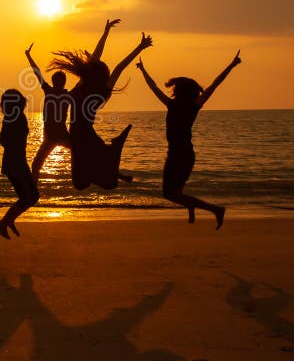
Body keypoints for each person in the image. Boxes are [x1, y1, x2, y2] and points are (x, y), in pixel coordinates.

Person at [136, 51, 241, 229]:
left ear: (178, 91)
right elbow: (215, 84)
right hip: (183, 154)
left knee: (170, 194)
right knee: (174, 192)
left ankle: (214, 209)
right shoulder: (193, 105)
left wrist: (143, 70)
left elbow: (153, 86)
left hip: (179, 154)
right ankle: (192, 207)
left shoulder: (174, 104)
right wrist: (231, 65)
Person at [50, 20, 151, 190]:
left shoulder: (83, 86)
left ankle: (114, 153)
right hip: (83, 135)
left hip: (79, 135)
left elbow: (112, 63)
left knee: (84, 183)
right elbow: (119, 66)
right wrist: (136, 46)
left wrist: (107, 33)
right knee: (85, 183)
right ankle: (113, 158)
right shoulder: (99, 90)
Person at [24, 43, 71, 185]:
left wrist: (28, 55)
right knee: (36, 165)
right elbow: (36, 72)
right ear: (63, 82)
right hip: (59, 136)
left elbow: (36, 72)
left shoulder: (50, 91)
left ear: (54, 81)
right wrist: (28, 56)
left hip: (53, 136)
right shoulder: (67, 95)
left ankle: (32, 190)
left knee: (35, 166)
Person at [0, 89, 38, 239]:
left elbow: (4, 140)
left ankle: (8, 220)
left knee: (32, 196)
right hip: (13, 163)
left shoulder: (18, 117)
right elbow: (2, 140)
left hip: (19, 162)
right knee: (29, 196)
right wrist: (14, 145)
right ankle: (4, 222)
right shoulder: (12, 118)